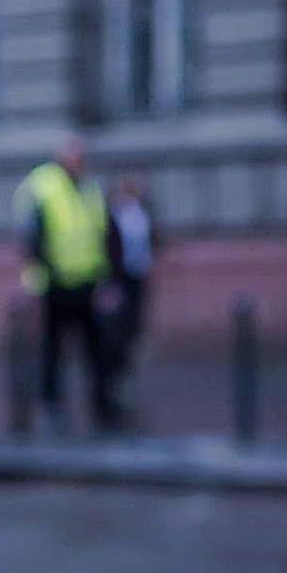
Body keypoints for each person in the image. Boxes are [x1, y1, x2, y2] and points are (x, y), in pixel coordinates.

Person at [15, 135, 118, 432]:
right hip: (55, 285)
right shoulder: (45, 187)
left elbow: (103, 235)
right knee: (52, 351)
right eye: (74, 155)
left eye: (81, 156)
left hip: (88, 283)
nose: (78, 161)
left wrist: (105, 279)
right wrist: (36, 281)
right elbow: (32, 238)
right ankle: (51, 406)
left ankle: (102, 405)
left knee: (96, 351)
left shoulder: (89, 188)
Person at [105, 174, 157, 406]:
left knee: (135, 328)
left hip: (138, 278)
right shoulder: (112, 217)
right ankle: (116, 378)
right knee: (117, 332)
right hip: (119, 280)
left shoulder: (141, 215)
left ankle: (127, 373)